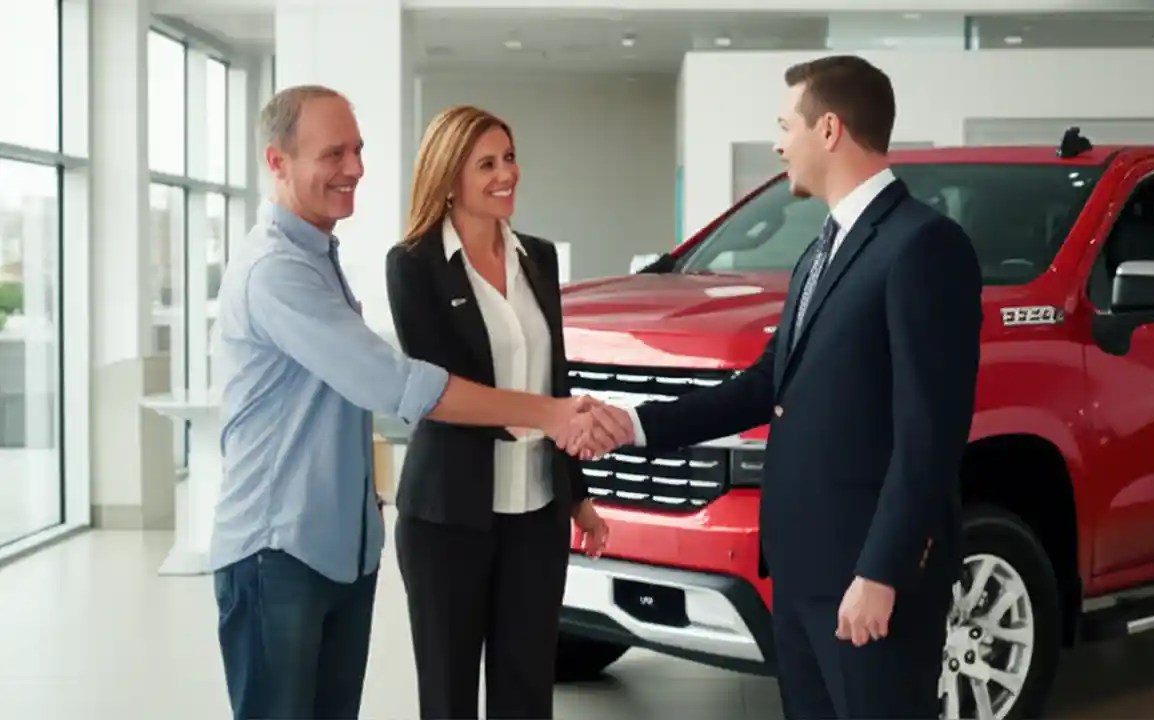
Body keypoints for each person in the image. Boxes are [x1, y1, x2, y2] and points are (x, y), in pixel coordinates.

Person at [586, 55, 983, 719]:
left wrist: (881, 571)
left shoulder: (924, 246)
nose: (778, 145)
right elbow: (765, 386)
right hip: (801, 573)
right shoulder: (822, 248)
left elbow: (930, 435)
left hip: (866, 576)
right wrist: (634, 423)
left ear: (828, 129)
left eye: (784, 126)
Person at [209, 85, 610, 720]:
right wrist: (549, 415)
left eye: (358, 150)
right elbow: (396, 384)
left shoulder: (320, 258)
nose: (356, 168)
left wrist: (572, 479)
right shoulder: (279, 272)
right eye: (334, 153)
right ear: (277, 162)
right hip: (279, 549)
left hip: (340, 546)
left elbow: (548, 371)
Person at [383, 105, 609, 720]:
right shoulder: (413, 265)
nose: (506, 174)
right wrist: (548, 414)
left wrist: (577, 496)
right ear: (448, 177)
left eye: (508, 158)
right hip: (447, 516)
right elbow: (441, 393)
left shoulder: (539, 257)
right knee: (449, 697)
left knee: (528, 693)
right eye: (486, 164)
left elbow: (556, 377)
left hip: (537, 513)